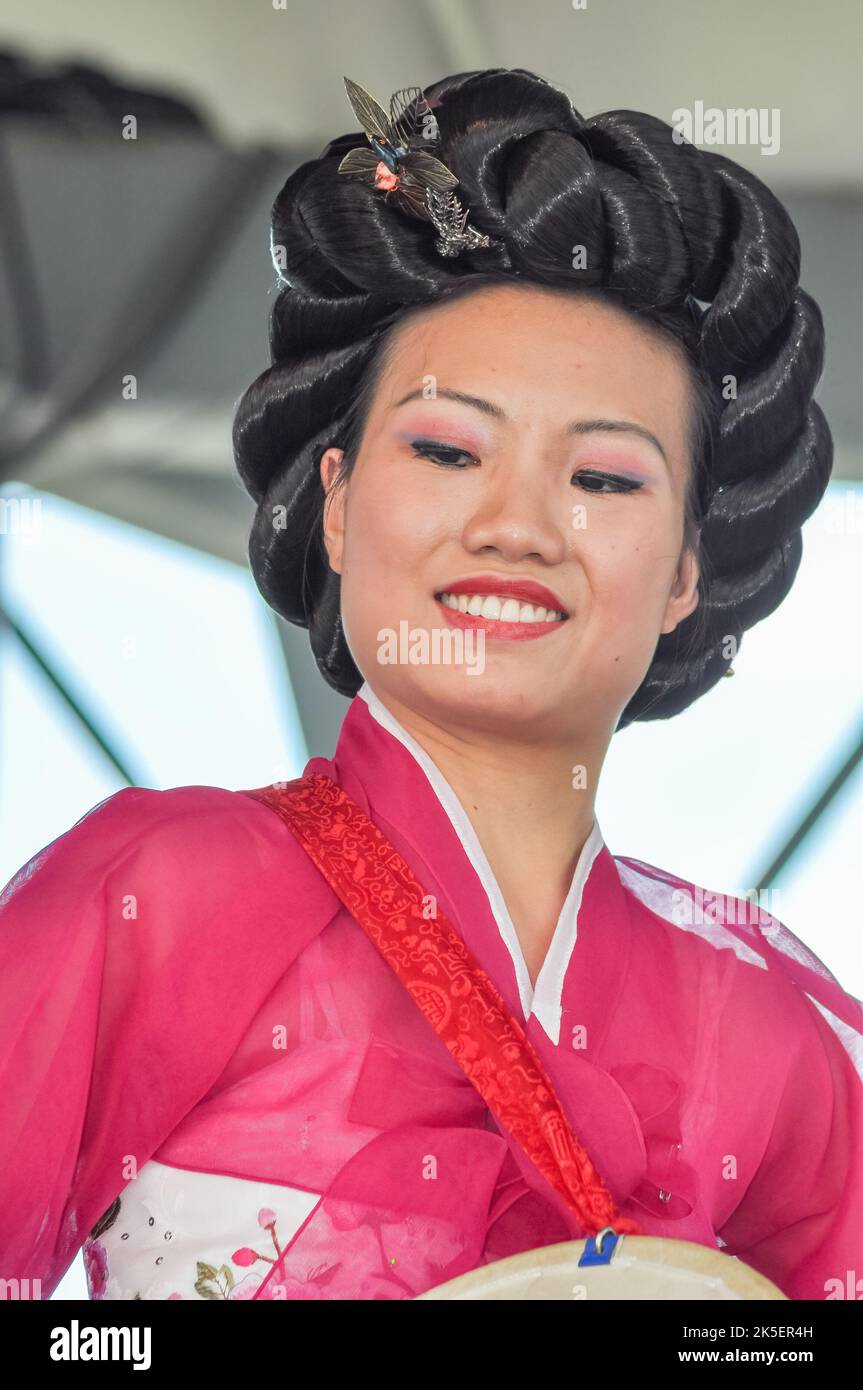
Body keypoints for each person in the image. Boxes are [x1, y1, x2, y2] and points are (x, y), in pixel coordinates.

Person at [1, 68, 860, 1302]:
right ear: (338, 504)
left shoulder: (773, 1026)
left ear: (683, 573)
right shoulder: (152, 895)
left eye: (604, 480)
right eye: (448, 450)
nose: (516, 526)